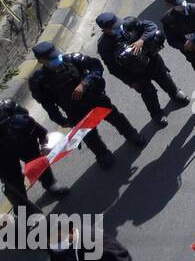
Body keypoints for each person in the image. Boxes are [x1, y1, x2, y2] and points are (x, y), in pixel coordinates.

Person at [29, 41, 145, 169]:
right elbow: (48, 104)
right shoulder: (38, 81)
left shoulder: (73, 59)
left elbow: (96, 67)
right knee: (89, 136)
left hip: (96, 100)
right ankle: (102, 154)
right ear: (41, 60)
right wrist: (61, 120)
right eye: (50, 59)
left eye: (55, 55)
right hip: (74, 111)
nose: (56, 60)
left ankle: (131, 135)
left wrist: (84, 84)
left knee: (116, 118)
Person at [93, 11, 186, 126]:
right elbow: (114, 69)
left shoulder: (129, 22)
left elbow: (151, 27)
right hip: (136, 73)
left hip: (153, 60)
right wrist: (130, 82)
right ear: (105, 30)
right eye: (114, 27)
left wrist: (141, 40)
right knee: (149, 94)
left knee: (165, 79)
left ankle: (175, 93)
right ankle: (157, 114)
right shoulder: (104, 46)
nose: (119, 28)